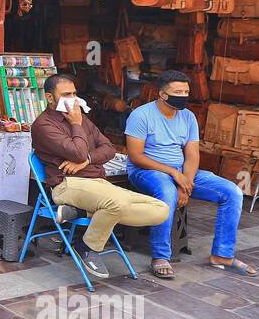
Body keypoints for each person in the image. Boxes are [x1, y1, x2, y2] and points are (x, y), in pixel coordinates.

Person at [29, 74, 168, 280]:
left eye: (75, 93)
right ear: (50, 98)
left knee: (161, 210)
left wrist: (86, 160)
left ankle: (82, 212)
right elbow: (75, 152)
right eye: (67, 94)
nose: (74, 99)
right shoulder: (44, 125)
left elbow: (109, 149)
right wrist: (76, 124)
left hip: (97, 183)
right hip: (67, 185)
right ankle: (87, 246)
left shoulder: (83, 119)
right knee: (116, 203)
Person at [125, 70, 255, 279]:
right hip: (147, 171)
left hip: (182, 173)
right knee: (167, 193)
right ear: (162, 94)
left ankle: (222, 254)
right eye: (178, 91)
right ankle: (161, 256)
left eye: (186, 91)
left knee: (232, 192)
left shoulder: (188, 116)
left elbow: (192, 154)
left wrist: (186, 182)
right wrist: (174, 175)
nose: (183, 95)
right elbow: (136, 155)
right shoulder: (141, 115)